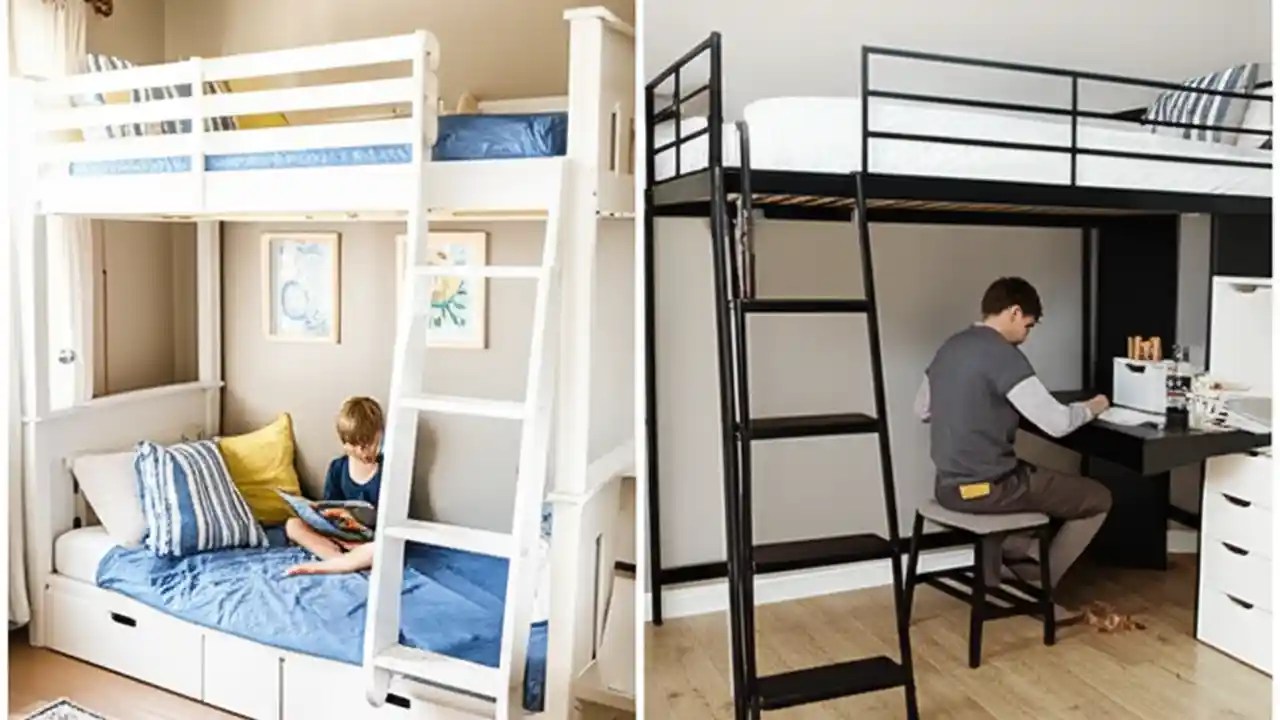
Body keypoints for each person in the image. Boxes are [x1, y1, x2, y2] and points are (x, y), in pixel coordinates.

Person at [914, 277, 1112, 622]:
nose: (1028, 335)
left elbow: (922, 409)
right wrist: (1094, 406)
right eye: (1029, 325)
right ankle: (1039, 585)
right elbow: (1058, 424)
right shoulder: (1004, 356)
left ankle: (1007, 570)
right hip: (990, 490)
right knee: (1098, 498)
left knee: (1025, 472)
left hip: (947, 488)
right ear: (1015, 312)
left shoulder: (951, 347)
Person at [284, 396, 385, 576]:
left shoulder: (386, 469)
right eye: (354, 445)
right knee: (293, 525)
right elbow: (329, 511)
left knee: (379, 549)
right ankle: (340, 561)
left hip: (369, 542)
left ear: (379, 434)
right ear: (344, 443)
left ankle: (333, 563)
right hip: (339, 539)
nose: (362, 451)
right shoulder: (338, 468)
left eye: (367, 444)